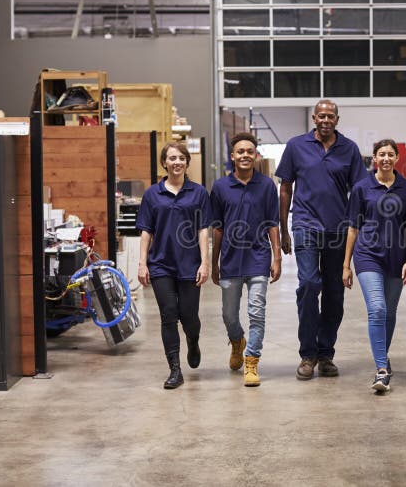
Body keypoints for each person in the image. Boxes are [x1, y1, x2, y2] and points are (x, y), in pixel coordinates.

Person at [276, 99, 366, 380]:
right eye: (321, 116)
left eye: (331, 116)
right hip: (305, 224)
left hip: (338, 229)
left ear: (337, 120)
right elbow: (285, 189)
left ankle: (326, 353)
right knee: (309, 284)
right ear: (314, 118)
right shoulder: (296, 146)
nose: (326, 120)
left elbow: (360, 192)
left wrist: (357, 229)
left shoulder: (349, 149)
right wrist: (283, 229)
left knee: (334, 293)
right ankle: (307, 354)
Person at [343, 139, 406, 393]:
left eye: (390, 154)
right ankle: (381, 369)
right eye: (381, 154)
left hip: (396, 258)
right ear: (374, 158)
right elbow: (353, 228)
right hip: (367, 255)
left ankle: (382, 354)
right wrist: (346, 264)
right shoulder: (362, 188)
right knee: (377, 309)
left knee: (390, 313)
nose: (386, 158)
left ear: (397, 158)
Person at [137, 141, 211, 390]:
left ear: (187, 162)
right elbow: (146, 231)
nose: (176, 162)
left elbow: (203, 230)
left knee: (189, 316)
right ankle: (175, 370)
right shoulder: (152, 194)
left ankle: (193, 339)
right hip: (161, 265)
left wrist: (205, 262)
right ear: (164, 163)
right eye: (172, 158)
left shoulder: (198, 192)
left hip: (190, 264)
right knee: (168, 315)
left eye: (181, 158)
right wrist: (142, 263)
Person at [211, 132, 282, 387]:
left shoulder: (266, 186)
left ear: (255, 155)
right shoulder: (220, 187)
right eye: (240, 152)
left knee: (256, 313)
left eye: (249, 151)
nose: (244, 155)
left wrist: (277, 258)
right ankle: (237, 341)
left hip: (258, 258)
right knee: (229, 315)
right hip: (230, 260)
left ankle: (251, 361)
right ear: (232, 156)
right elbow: (217, 227)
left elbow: (273, 223)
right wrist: (214, 262)